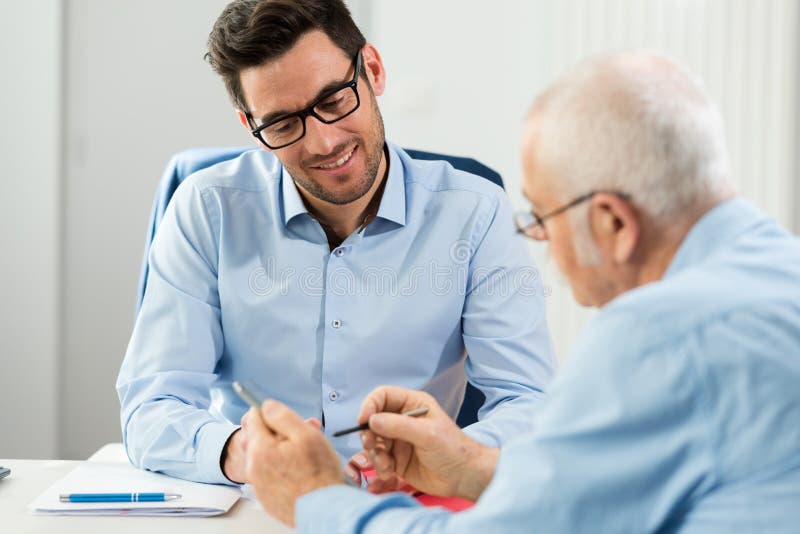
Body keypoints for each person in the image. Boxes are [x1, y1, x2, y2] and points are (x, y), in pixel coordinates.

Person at [240, 52, 800, 532]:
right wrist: (474, 467)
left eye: (541, 215)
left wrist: (316, 497)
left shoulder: (657, 334)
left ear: (612, 225)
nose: (536, 237)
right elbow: (603, 488)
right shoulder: (779, 268)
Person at [116, 0, 554, 486]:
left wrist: (453, 457)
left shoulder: (477, 212)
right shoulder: (206, 209)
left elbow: (528, 402)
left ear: (373, 70)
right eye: (283, 124)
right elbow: (151, 408)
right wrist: (240, 452)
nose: (323, 143)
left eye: (333, 101)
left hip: (411, 505)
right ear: (253, 130)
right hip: (258, 506)